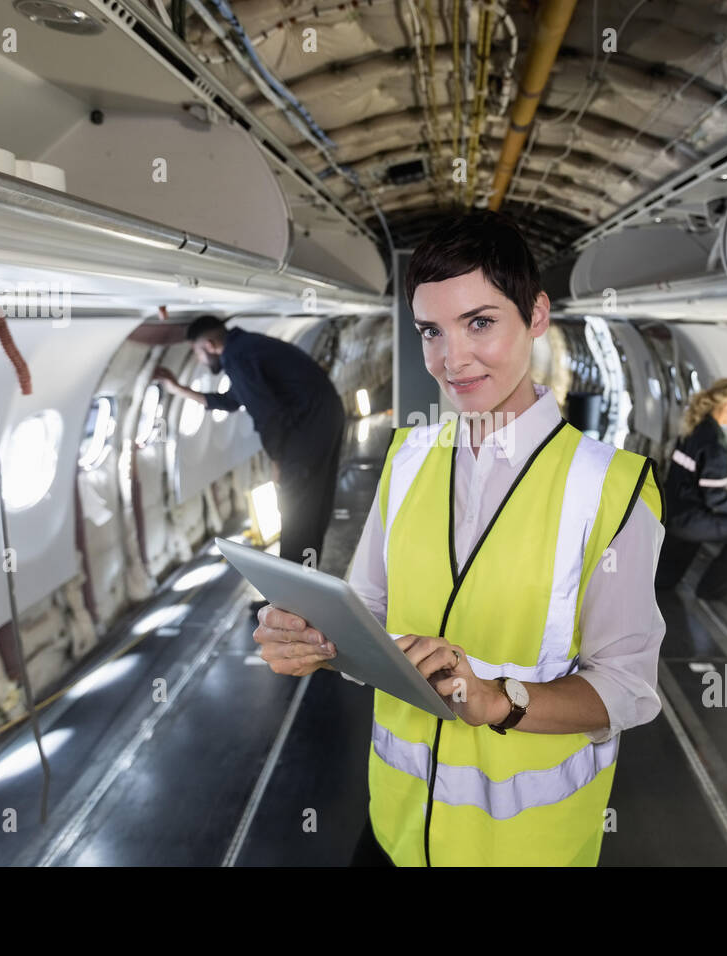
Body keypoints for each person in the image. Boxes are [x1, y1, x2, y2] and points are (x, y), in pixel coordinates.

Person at [251, 211, 667, 866]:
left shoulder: (612, 489)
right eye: (431, 332)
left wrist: (498, 701)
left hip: (526, 848)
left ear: (535, 316)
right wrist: (314, 642)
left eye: (479, 323)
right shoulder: (408, 457)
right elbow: (370, 617)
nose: (453, 359)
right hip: (395, 824)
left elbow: (628, 689)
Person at [153, 316, 347, 604]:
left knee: (298, 518)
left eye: (196, 352)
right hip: (322, 423)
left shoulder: (238, 356)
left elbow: (269, 415)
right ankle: (304, 592)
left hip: (306, 432)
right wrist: (178, 389)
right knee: (311, 514)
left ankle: (290, 605)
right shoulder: (246, 347)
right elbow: (231, 401)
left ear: (209, 344)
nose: (199, 359)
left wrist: (277, 461)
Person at [653, 377, 727, 600]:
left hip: (670, 512)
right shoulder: (715, 444)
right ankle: (712, 590)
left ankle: (664, 578)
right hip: (687, 521)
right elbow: (715, 499)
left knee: (664, 581)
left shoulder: (693, 427)